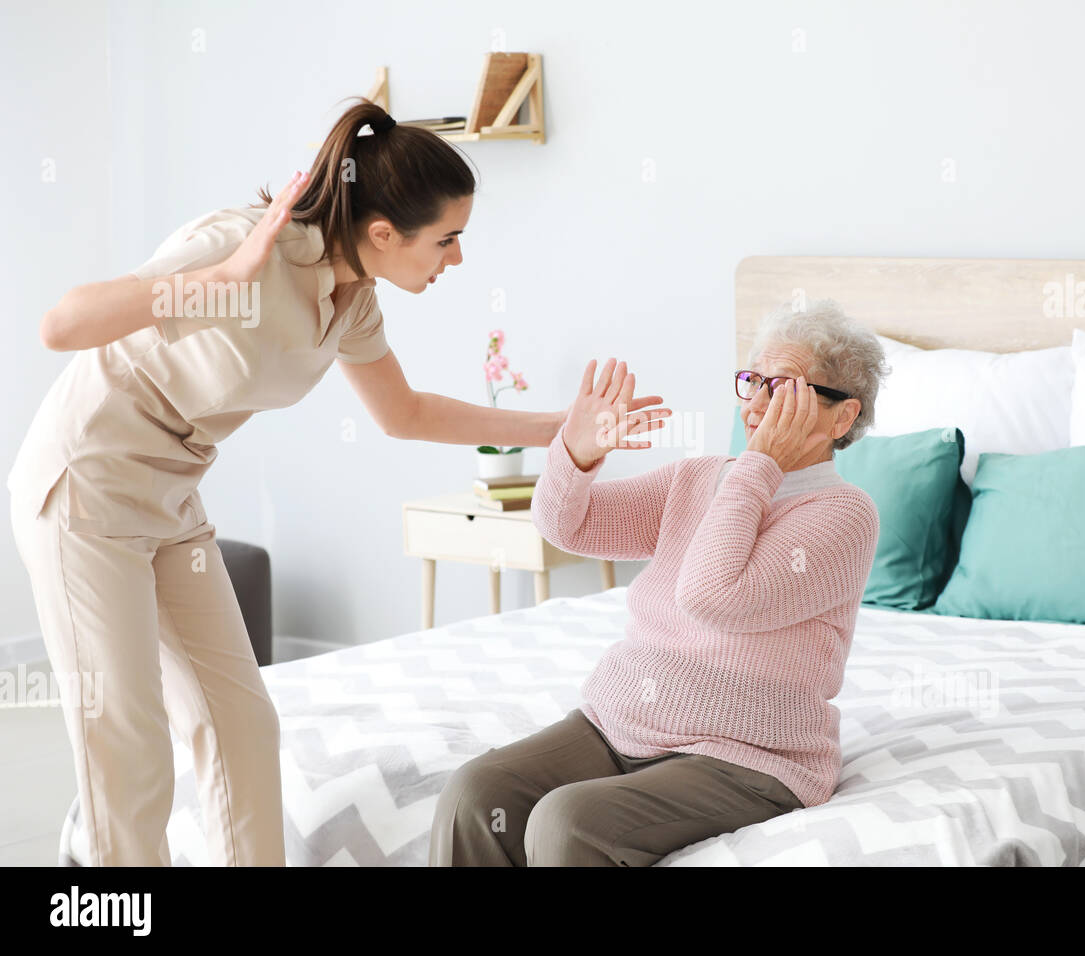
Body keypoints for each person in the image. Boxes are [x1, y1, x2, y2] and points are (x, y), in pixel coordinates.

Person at [6, 97, 670, 866]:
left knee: (242, 724)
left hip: (171, 497)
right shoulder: (241, 246)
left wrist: (563, 427)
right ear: (384, 233)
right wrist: (217, 279)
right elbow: (62, 324)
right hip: (85, 489)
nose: (456, 260)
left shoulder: (352, 301)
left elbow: (406, 412)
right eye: (448, 240)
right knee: (129, 741)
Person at [429, 299, 886, 866]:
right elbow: (567, 525)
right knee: (473, 793)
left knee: (568, 822)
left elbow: (712, 596)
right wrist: (576, 452)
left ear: (841, 418)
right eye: (753, 382)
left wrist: (760, 464)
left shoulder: (845, 514)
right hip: (622, 724)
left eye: (785, 388)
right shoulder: (697, 478)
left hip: (746, 757)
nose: (759, 404)